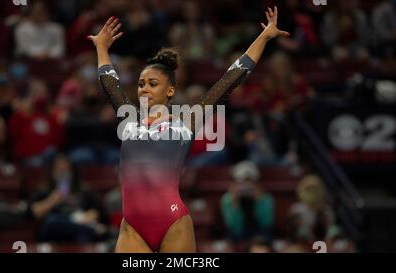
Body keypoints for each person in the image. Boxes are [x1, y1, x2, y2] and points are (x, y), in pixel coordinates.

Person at [87, 6, 289, 253]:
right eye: (141, 84)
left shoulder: (186, 122)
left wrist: (264, 36)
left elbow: (230, 79)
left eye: (152, 84)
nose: (144, 89)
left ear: (170, 90)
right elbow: (110, 82)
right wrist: (101, 47)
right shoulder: (128, 120)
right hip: (132, 227)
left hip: (172, 223)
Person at [28, 154, 109, 243]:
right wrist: (53, 200)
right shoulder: (44, 191)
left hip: (79, 228)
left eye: (66, 169)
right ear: (52, 172)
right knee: (52, 221)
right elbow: (34, 212)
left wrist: (88, 216)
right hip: (53, 233)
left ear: (72, 172)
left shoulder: (84, 190)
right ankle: (92, 230)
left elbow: (97, 211)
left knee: (82, 237)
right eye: (59, 169)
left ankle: (86, 230)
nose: (62, 173)